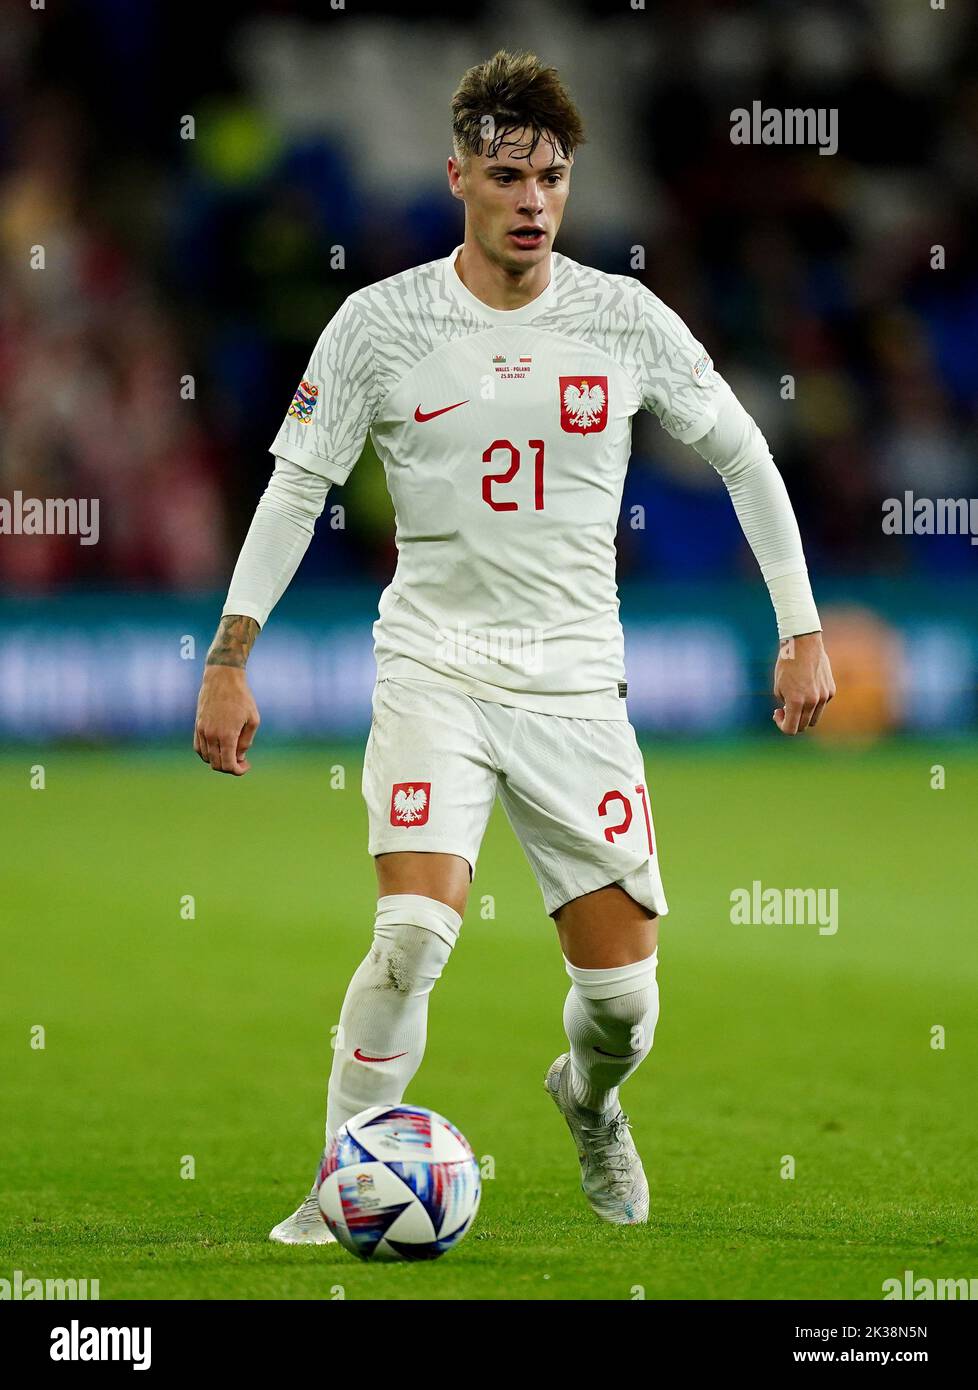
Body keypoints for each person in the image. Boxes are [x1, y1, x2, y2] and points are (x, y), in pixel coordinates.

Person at [193, 49, 835, 1242]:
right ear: (458, 178)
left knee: (622, 1008)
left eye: (552, 177)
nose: (534, 199)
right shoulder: (379, 324)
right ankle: (340, 1187)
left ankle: (589, 1103)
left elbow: (745, 454)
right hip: (433, 663)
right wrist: (230, 657)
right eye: (508, 175)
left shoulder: (622, 318)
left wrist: (801, 627)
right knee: (408, 941)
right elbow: (293, 492)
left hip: (577, 683)